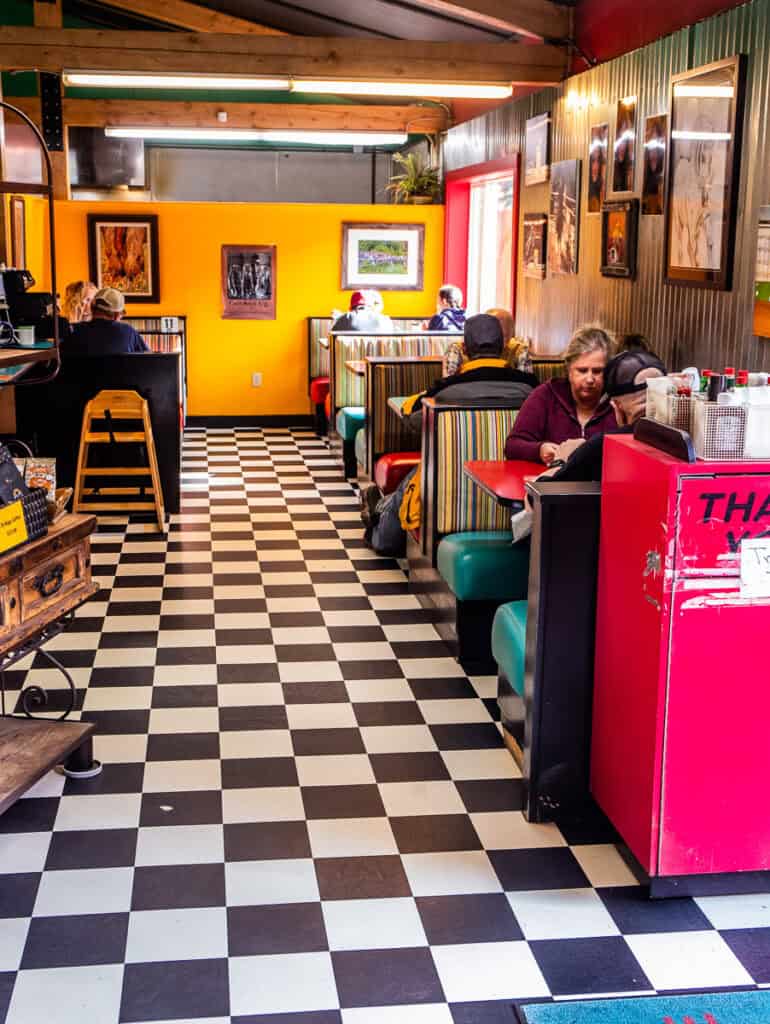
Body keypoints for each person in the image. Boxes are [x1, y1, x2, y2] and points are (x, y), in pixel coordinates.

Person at [361, 314, 537, 556]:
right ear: (505, 348)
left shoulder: (447, 389)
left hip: (451, 486)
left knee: (418, 479)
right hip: (515, 492)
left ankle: (380, 511)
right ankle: (382, 505)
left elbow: (412, 418)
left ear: (464, 349)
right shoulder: (532, 388)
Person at [547, 349, 667, 482]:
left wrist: (560, 461)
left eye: (597, 371)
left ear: (616, 407)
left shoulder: (602, 446)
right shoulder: (684, 439)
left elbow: (539, 494)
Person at [504, 324, 617, 465]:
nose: (589, 379)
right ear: (569, 369)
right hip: (550, 483)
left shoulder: (617, 403)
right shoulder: (546, 395)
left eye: (597, 371)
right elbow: (512, 446)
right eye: (582, 371)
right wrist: (539, 449)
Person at [63, 287, 149, 356]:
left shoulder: (73, 330)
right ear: (117, 315)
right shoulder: (128, 331)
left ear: (92, 308)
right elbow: (149, 360)